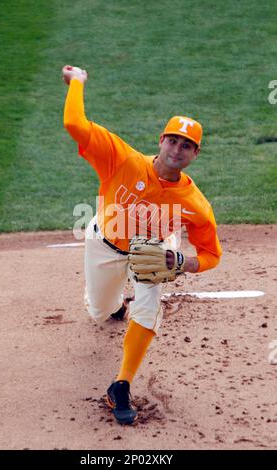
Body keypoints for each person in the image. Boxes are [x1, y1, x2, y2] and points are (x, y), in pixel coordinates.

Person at [62, 65, 222, 425]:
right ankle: (114, 305)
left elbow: (212, 254)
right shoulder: (123, 158)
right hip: (104, 242)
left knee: (148, 308)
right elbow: (75, 124)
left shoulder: (196, 204)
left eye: (187, 146)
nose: (178, 149)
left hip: (153, 250)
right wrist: (77, 83)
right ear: (161, 141)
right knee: (100, 313)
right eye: (173, 140)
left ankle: (120, 384)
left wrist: (183, 261)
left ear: (195, 154)